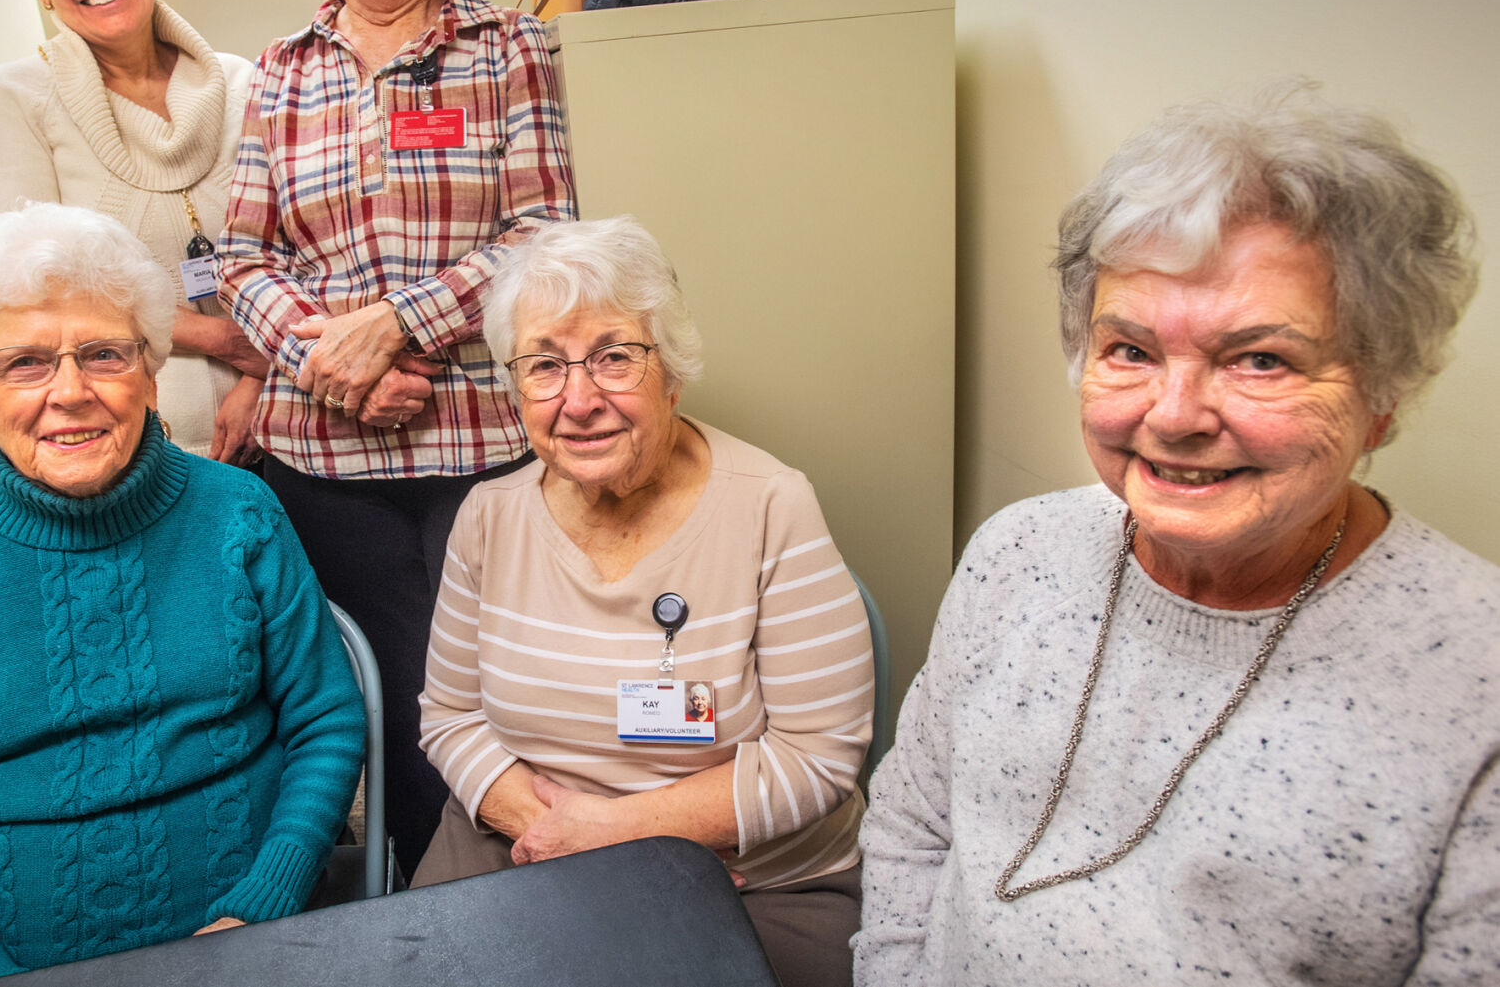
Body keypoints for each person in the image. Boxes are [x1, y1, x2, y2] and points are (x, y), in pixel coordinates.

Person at [853, 85, 1498, 985]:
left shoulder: (1474, 680)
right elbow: (913, 825)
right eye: (1130, 350)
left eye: (1259, 358)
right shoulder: (1014, 553)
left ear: (1382, 396)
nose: (1173, 414)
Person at [0, 203, 364, 987]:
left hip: (257, 947)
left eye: (105, 353)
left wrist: (262, 909)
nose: (71, 390)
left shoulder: (240, 513)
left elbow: (326, 719)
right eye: (25, 362)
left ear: (150, 372)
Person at [218, 0, 575, 877]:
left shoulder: (509, 46)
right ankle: (433, 917)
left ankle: (547, 891)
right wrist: (335, 359)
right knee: (400, 718)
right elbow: (241, 258)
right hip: (326, 462)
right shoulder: (277, 73)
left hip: (486, 448)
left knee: (511, 695)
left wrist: (395, 323)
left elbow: (544, 231)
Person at [416, 217, 873, 987]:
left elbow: (816, 755)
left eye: (613, 357)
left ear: (672, 371)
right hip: (518, 843)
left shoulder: (771, 505)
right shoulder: (488, 516)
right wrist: (550, 832)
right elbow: (451, 715)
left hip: (750, 876)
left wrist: (622, 836)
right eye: (543, 365)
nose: (579, 398)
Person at [0, 0, 266, 464]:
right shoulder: (16, 99)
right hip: (130, 448)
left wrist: (258, 378)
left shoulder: (247, 82)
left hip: (286, 421)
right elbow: (41, 294)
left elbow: (300, 254)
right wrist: (222, 339)